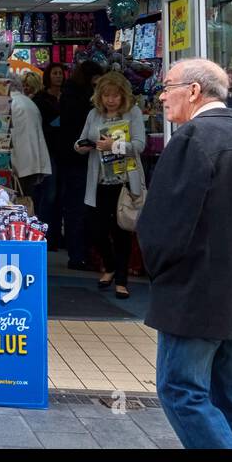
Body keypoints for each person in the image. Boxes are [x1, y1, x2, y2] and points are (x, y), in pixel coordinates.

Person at [138, 59, 232, 449]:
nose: (162, 97)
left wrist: (161, 273)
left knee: (182, 389)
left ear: (194, 91)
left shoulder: (192, 139)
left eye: (167, 87)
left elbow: (162, 225)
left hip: (195, 293)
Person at [75, 71, 147, 299]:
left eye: (115, 95)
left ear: (123, 95)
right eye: (106, 95)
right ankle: (110, 264)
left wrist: (113, 147)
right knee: (94, 228)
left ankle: (122, 281)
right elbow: (81, 140)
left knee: (122, 230)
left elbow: (139, 145)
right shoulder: (94, 114)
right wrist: (81, 146)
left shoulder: (132, 113)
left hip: (124, 180)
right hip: (99, 180)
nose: (111, 100)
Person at [58, 59, 104, 269]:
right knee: (82, 207)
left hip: (72, 158)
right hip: (82, 158)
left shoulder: (68, 95)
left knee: (76, 206)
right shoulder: (85, 102)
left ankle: (78, 253)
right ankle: (81, 253)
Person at [32, 63, 68, 248]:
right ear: (48, 76)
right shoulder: (41, 98)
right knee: (49, 194)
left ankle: (57, 234)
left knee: (62, 195)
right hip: (47, 149)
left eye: (60, 73)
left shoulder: (67, 96)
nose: (58, 77)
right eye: (54, 73)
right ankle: (45, 234)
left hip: (66, 151)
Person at [10, 72, 53, 202]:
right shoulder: (27, 102)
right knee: (28, 199)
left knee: (20, 201)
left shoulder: (11, 102)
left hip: (20, 164)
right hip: (33, 162)